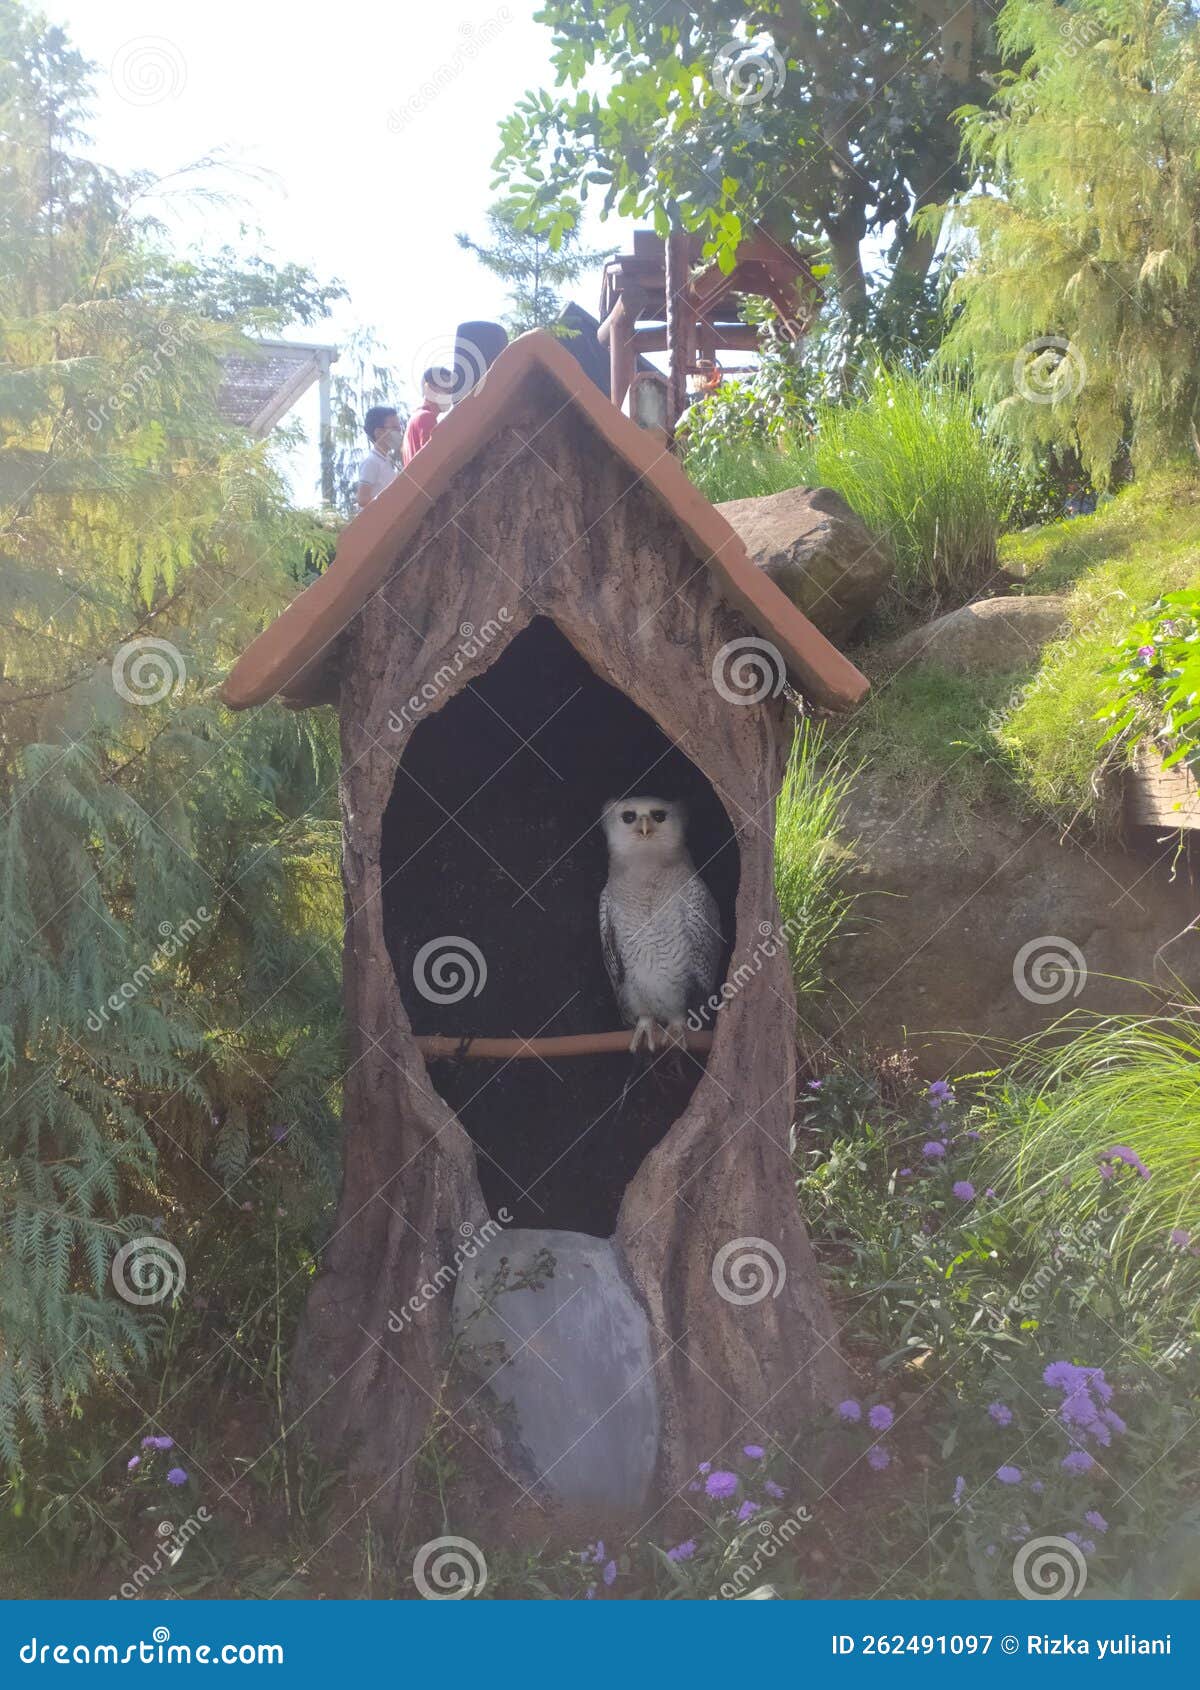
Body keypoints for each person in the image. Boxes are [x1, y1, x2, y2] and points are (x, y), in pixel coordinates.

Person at [402, 366, 455, 466]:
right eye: (446, 389)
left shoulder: (415, 419)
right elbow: (434, 459)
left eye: (451, 391)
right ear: (429, 387)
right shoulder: (426, 418)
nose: (449, 395)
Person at [355, 406, 403, 509]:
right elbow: (362, 499)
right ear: (379, 432)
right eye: (394, 428)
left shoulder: (387, 460)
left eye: (399, 428)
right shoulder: (371, 462)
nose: (399, 431)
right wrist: (389, 506)